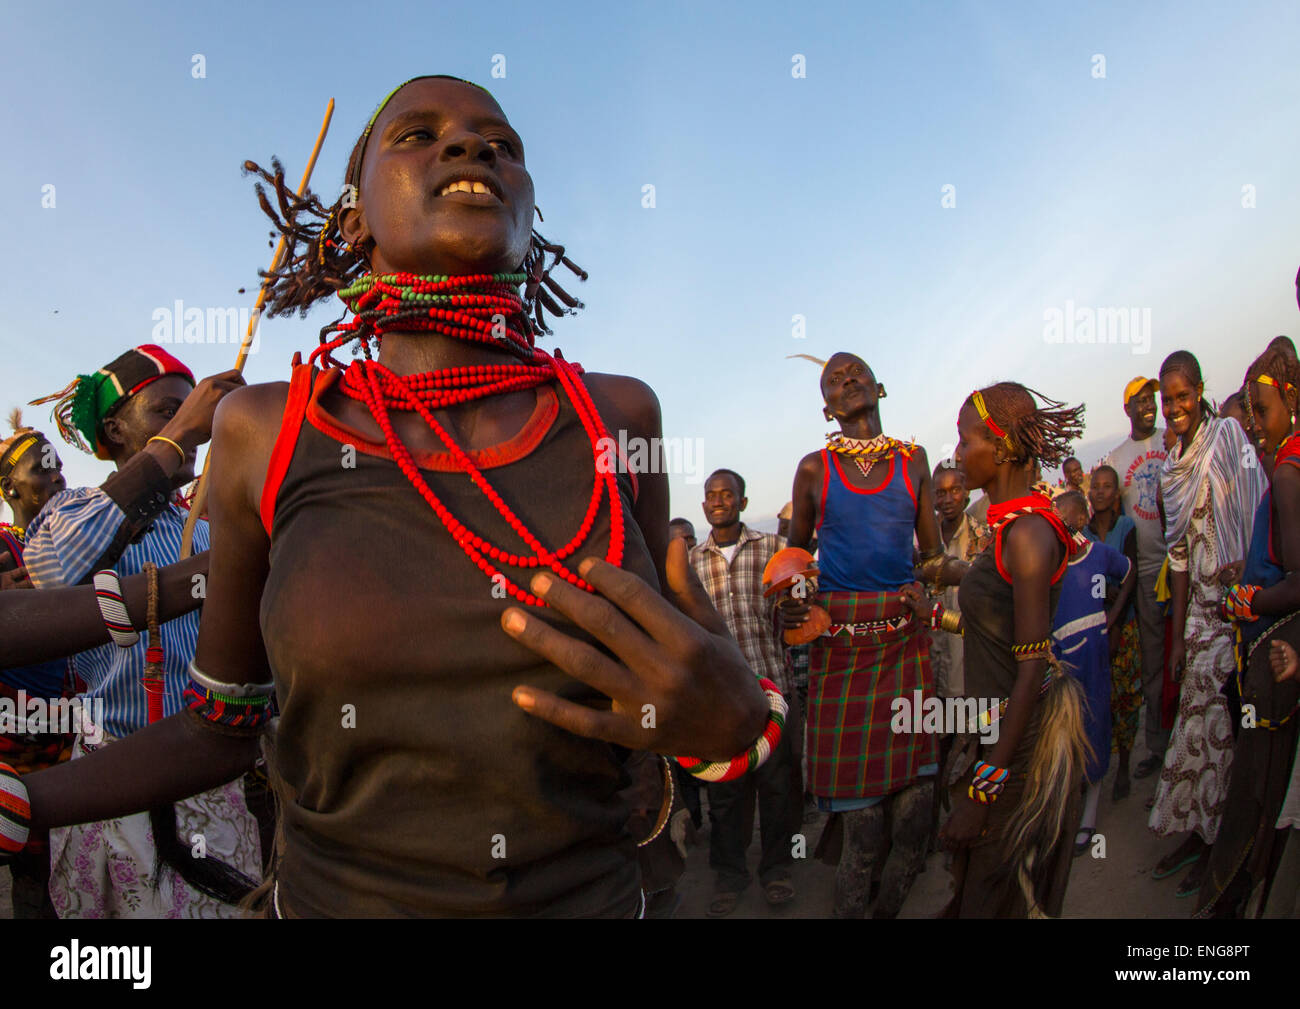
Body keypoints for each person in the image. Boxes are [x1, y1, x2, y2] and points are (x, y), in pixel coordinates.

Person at [11, 76, 771, 918]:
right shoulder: (266, 431)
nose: (473, 146)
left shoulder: (620, 414)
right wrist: (23, 808)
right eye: (418, 133)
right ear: (352, 223)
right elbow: (218, 727)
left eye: (504, 144)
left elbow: (679, 704)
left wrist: (739, 734)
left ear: (529, 216)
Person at [21, 346, 260, 918]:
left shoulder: (204, 530)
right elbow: (57, 570)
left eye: (198, 417)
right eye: (165, 411)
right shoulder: (72, 512)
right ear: (115, 430)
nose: (199, 431)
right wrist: (179, 434)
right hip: (112, 785)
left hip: (207, 789)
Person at [784, 352, 939, 919]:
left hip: (904, 643)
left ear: (880, 386)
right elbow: (795, 560)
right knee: (865, 827)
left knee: (918, 814)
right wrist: (793, 604)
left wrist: (946, 585)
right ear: (827, 406)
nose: (846, 381)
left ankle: (885, 911)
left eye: (856, 374)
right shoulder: (812, 469)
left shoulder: (914, 461)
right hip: (842, 653)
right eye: (834, 380)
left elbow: (936, 556)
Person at [935, 382, 1089, 918]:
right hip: (996, 728)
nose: (956, 453)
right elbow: (999, 631)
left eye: (964, 439)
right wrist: (938, 615)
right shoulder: (1010, 528)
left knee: (991, 897)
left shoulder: (1026, 534)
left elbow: (1028, 673)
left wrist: (983, 794)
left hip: (1016, 745)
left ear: (999, 446)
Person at [1149, 350, 1268, 899]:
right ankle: (1198, 833)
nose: (1174, 406)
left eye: (1182, 395)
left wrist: (1247, 593)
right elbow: (1176, 555)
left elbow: (1253, 504)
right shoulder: (1171, 461)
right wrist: (1176, 636)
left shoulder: (1227, 440)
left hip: (1234, 610)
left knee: (1221, 732)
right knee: (1194, 729)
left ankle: (1221, 846)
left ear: (1199, 390)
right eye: (1166, 398)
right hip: (1197, 616)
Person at [1197, 344, 1300, 916]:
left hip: (1275, 645)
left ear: (1289, 400)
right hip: (1274, 636)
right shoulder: (1287, 462)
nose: (1254, 426)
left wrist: (1249, 597)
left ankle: (1236, 904)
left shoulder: (1286, 472)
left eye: (1260, 411)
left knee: (1257, 787)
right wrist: (1252, 568)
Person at [689, 469, 796, 915]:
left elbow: (798, 605)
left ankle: (778, 871)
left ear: (743, 503)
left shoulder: (773, 550)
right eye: (711, 495)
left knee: (780, 790)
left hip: (774, 687)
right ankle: (730, 876)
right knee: (726, 795)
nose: (719, 502)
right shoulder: (690, 563)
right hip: (720, 701)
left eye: (727, 495)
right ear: (703, 507)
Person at [0, 411, 71, 917]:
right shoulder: (2, 550)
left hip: (63, 732)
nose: (56, 478)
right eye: (42, 469)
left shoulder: (68, 546)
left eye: (59, 467)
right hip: (8, 733)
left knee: (44, 871)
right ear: (9, 487)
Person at [1052, 490, 1135, 855]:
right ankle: (1067, 805)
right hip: (1060, 658)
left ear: (1081, 520)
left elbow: (1129, 573)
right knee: (1064, 729)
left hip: (1095, 655)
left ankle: (1089, 811)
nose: (1059, 528)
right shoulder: (1051, 562)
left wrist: (1112, 619)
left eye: (1065, 521)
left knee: (1095, 719)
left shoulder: (1099, 555)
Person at [1102, 376, 1171, 779]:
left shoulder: (1171, 441)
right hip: (1145, 571)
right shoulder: (1118, 457)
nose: (1149, 405)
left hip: (1182, 563)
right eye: (1140, 401)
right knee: (1154, 659)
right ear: (1127, 409)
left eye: (1152, 399)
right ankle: (1159, 746)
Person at [1082, 465, 1142, 801]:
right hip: (1092, 628)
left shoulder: (1127, 527)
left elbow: (1131, 578)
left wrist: (1115, 620)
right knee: (1096, 699)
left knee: (1125, 698)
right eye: (1097, 486)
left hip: (1122, 625)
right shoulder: (1084, 535)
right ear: (1090, 493)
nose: (1102, 492)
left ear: (1116, 492)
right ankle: (1097, 771)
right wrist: (1109, 590)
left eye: (1108, 486)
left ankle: (1124, 767)